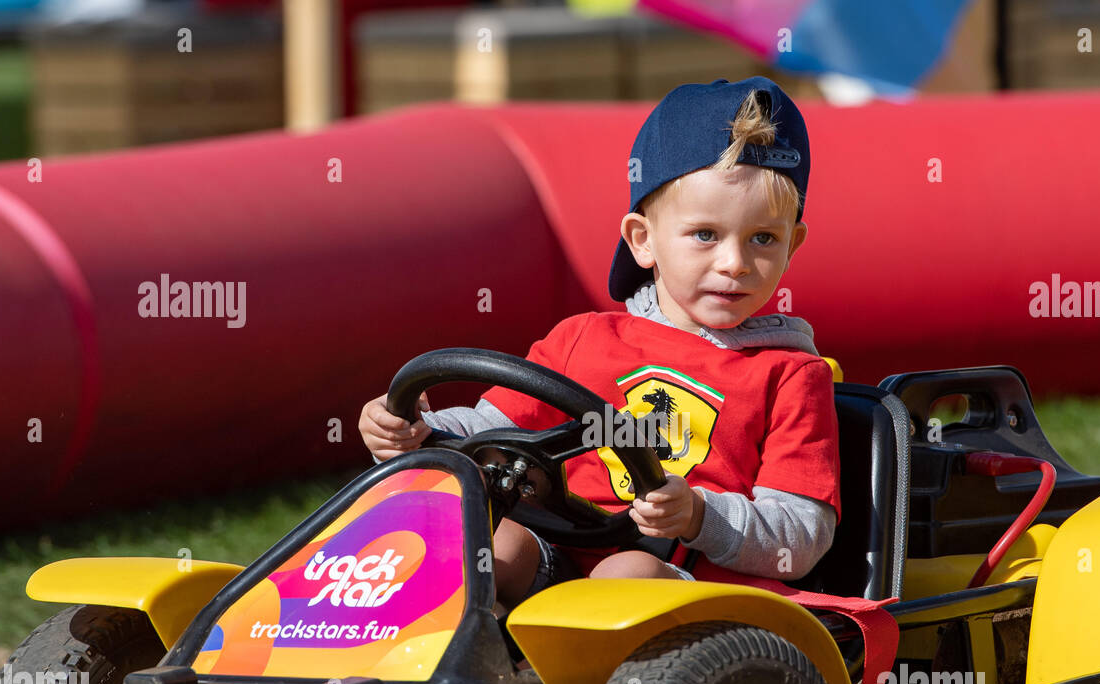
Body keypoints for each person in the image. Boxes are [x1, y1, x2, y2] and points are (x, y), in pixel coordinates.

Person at [358, 76, 840, 610]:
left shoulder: (791, 375)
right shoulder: (582, 339)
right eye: (705, 234)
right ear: (643, 240)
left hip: (696, 590)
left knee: (625, 572)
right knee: (490, 546)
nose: (734, 263)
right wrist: (414, 431)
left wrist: (700, 515)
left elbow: (800, 537)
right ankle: (438, 679)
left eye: (763, 238)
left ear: (792, 243)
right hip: (558, 557)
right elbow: (486, 431)